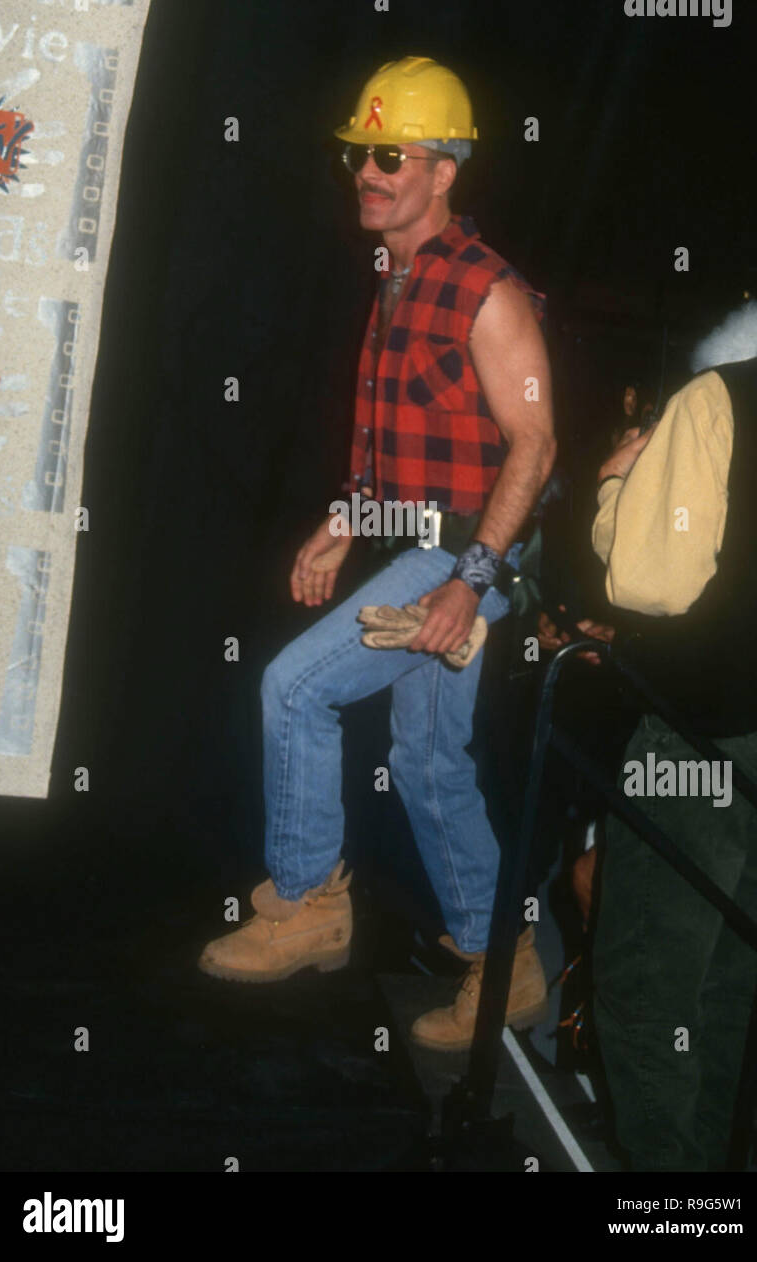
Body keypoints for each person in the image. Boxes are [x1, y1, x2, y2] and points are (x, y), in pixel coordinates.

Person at [198, 57, 557, 1050]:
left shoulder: (486, 291)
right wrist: (345, 519)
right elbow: (407, 451)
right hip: (426, 548)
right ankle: (508, 964)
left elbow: (534, 443)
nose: (368, 169)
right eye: (360, 152)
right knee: (431, 761)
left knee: (292, 688)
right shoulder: (397, 279)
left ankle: (310, 901)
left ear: (444, 170)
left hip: (464, 562)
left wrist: (465, 584)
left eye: (389, 154)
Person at [589, 265, 757, 1170]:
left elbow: (651, 582)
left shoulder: (721, 397)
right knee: (735, 981)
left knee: (648, 982)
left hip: (701, 735)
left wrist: (612, 496)